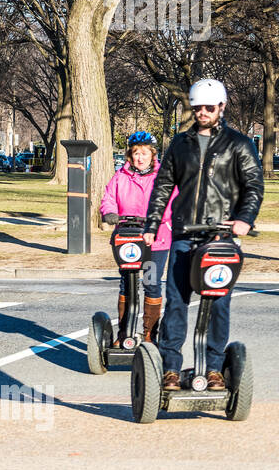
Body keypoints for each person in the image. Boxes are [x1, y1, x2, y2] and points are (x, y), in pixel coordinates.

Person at [143, 79, 263, 393]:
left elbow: (253, 186)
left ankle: (213, 368)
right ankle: (170, 368)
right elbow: (162, 188)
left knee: (218, 304)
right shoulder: (180, 144)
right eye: (198, 108)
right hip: (184, 233)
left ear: (221, 107)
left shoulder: (239, 144)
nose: (203, 113)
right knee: (177, 301)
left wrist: (244, 220)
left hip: (221, 236)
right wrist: (152, 226)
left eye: (209, 108)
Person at [99, 131, 177, 344]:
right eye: (135, 153)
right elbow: (108, 198)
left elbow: (173, 202)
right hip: (126, 238)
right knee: (127, 284)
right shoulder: (120, 176)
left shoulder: (164, 176)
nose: (140, 158)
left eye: (144, 153)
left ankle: (149, 334)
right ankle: (124, 333)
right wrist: (110, 213)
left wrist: (159, 218)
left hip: (156, 240)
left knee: (151, 283)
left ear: (153, 155)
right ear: (129, 155)